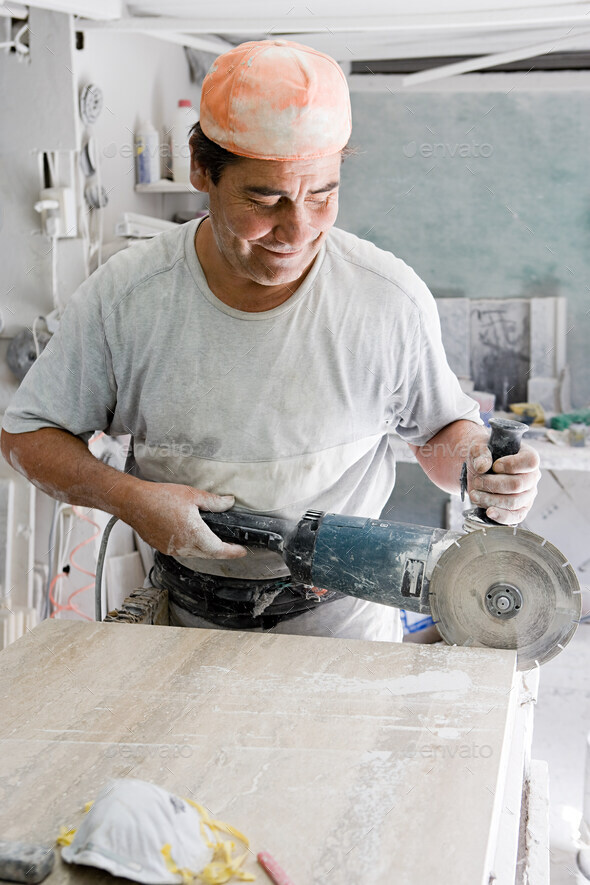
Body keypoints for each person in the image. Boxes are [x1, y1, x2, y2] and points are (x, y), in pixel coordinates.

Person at [1, 40, 540, 641]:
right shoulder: (128, 297)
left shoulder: (388, 299)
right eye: (265, 199)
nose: (297, 231)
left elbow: (439, 431)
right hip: (184, 621)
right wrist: (127, 498)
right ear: (200, 168)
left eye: (322, 195)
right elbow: (27, 435)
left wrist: (478, 468)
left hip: (344, 628)